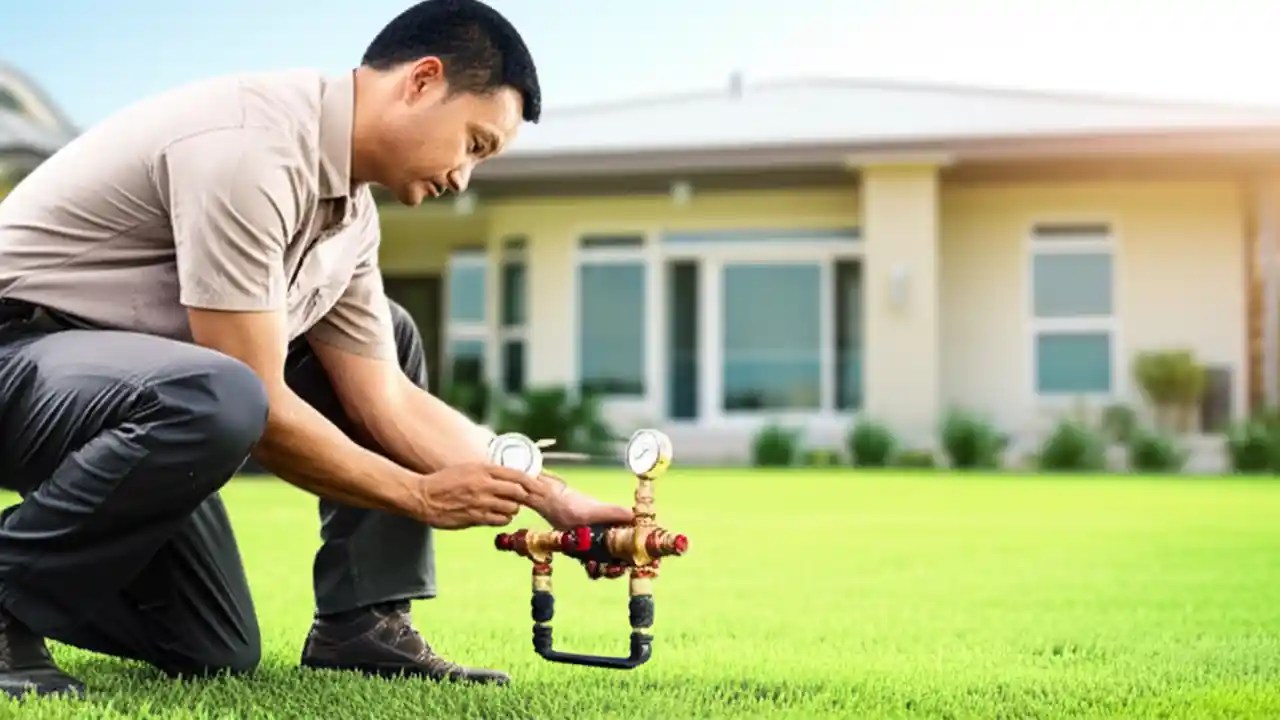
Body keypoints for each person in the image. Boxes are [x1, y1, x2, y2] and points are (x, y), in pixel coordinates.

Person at [0, 0, 632, 699]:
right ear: (421, 81)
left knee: (212, 645)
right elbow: (259, 403)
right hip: (18, 350)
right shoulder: (251, 147)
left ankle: (360, 625)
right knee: (227, 392)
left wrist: (553, 498)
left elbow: (386, 401)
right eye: (474, 143)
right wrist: (418, 494)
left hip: (113, 385)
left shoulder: (349, 218)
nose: (463, 178)